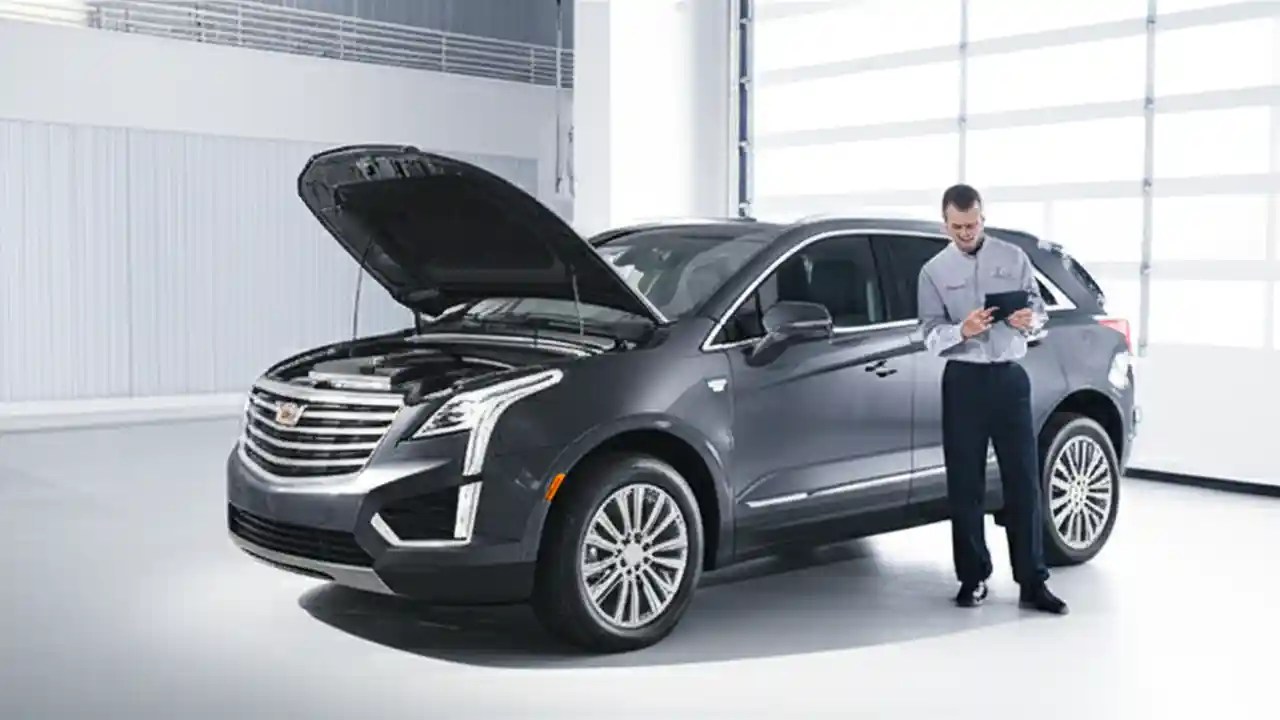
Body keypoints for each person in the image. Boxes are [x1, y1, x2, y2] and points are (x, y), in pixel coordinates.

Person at [916, 184, 1068, 615]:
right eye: (957, 226)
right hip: (963, 380)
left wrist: (1029, 320)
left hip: (1009, 378)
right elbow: (928, 333)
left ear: (983, 217)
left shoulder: (1013, 258)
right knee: (965, 485)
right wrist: (959, 331)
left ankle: (1033, 581)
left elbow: (1040, 313)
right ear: (945, 223)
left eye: (973, 224)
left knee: (1023, 480)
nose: (966, 232)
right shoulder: (932, 271)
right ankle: (973, 577)